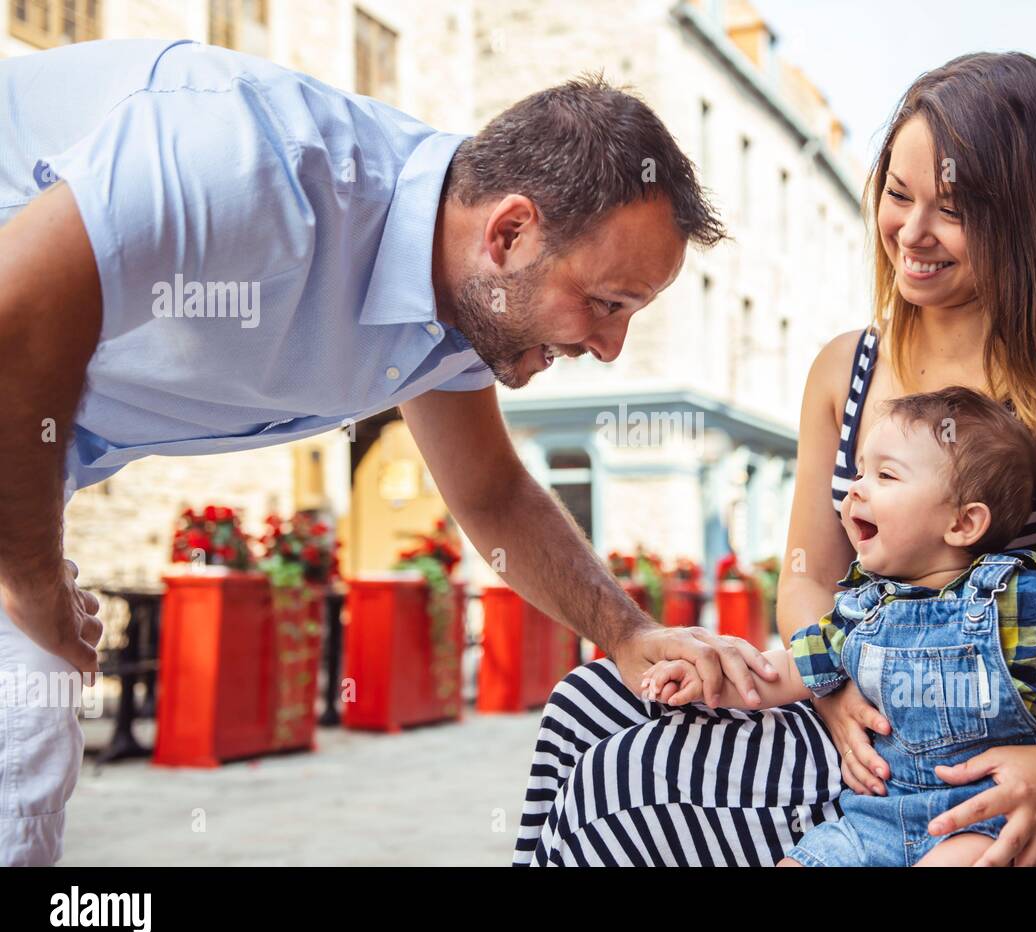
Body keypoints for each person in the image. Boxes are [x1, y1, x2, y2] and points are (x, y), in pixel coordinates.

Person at [0, 39, 756, 865]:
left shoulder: (463, 306)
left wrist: (627, 632)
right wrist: (32, 575)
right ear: (509, 233)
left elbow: (494, 495)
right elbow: (16, 317)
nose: (611, 347)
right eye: (607, 303)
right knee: (22, 742)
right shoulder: (255, 159)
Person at [516, 52, 1036, 867]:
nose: (914, 233)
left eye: (956, 209)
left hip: (1014, 754)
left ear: (1031, 217)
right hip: (857, 707)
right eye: (899, 196)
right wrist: (833, 689)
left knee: (626, 786)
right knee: (587, 704)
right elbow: (804, 580)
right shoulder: (844, 368)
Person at [639, 387, 1036, 867]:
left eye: (883, 476)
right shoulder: (860, 607)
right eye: (858, 472)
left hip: (985, 819)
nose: (853, 493)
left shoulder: (1016, 602)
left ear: (962, 524)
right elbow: (786, 668)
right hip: (869, 824)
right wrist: (710, 679)